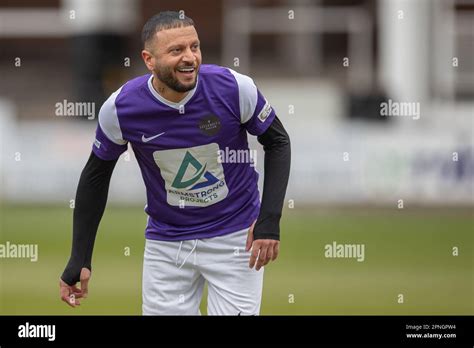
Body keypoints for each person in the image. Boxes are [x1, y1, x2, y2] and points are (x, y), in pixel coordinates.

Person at [59, 11, 291, 315]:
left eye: (194, 47)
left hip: (236, 240)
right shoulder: (120, 108)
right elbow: (95, 176)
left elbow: (278, 142)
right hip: (167, 243)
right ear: (149, 59)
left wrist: (268, 221)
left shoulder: (234, 88)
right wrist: (80, 257)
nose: (189, 58)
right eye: (176, 50)